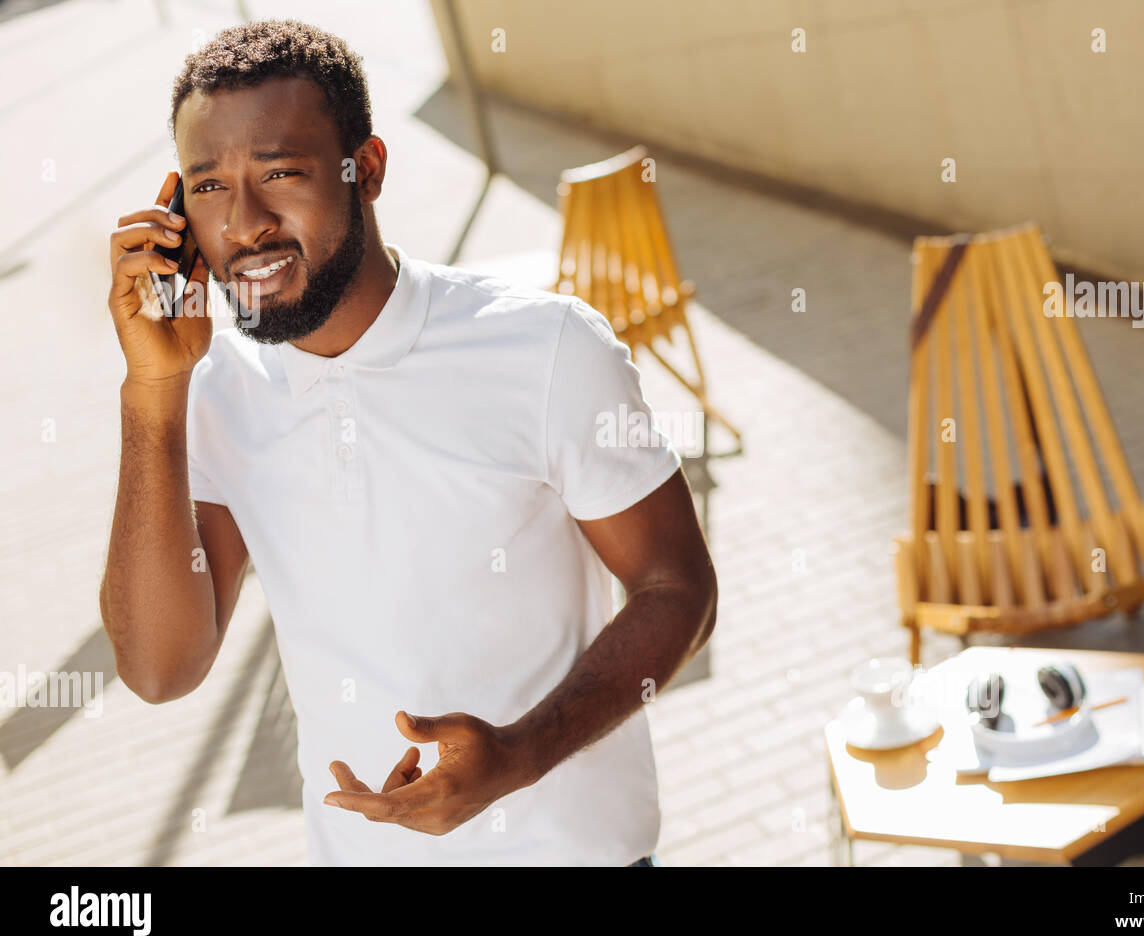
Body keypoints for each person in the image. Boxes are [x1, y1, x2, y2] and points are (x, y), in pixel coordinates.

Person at [98, 19, 716, 867]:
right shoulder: (209, 390)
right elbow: (159, 668)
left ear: (369, 170)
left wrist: (521, 756)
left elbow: (677, 585)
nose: (244, 225)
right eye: (208, 189)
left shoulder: (545, 347)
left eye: (280, 173)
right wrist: (153, 395)